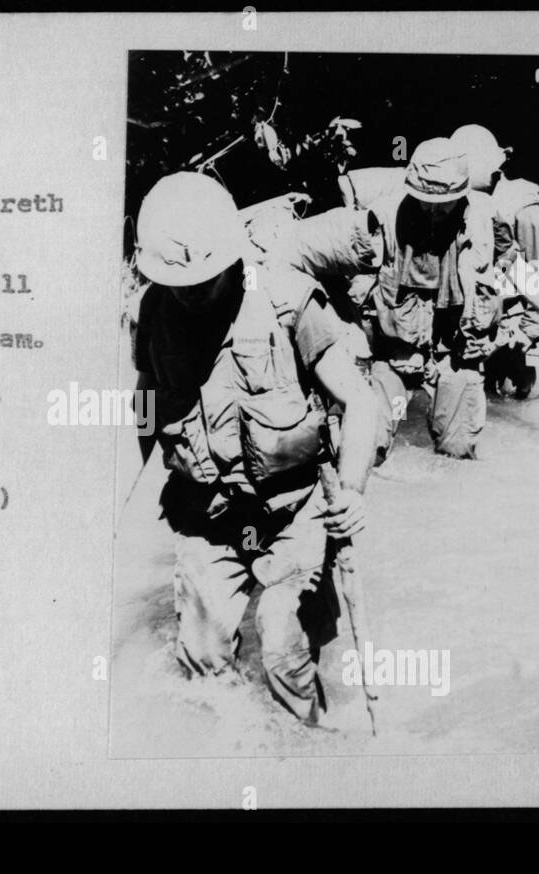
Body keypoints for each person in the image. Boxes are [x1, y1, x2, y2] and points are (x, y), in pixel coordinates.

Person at [130, 171, 379, 725]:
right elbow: (146, 398)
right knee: (202, 661)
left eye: (201, 280)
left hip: (294, 513)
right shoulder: (152, 310)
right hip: (207, 515)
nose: (188, 294)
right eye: (177, 282)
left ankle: (310, 756)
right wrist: (129, 488)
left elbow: (361, 403)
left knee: (282, 646)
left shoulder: (287, 299)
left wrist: (355, 492)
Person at [365, 137, 501, 459]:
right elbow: (354, 289)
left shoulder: (487, 217)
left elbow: (517, 269)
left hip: (455, 354)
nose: (433, 209)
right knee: (371, 444)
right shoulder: (383, 218)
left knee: (455, 452)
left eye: (444, 203)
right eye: (424, 200)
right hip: (398, 356)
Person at [450, 124, 539, 397]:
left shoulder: (524, 208)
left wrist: (528, 332)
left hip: (517, 324)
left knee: (510, 398)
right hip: (483, 318)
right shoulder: (467, 201)